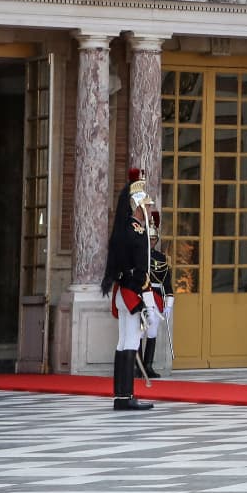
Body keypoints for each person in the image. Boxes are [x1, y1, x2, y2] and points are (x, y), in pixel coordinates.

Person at [101, 172, 158, 412]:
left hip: (121, 291)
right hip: (133, 292)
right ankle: (127, 395)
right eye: (146, 206)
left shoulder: (122, 229)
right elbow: (141, 272)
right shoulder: (137, 232)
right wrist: (148, 302)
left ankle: (121, 395)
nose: (148, 209)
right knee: (132, 341)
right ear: (138, 206)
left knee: (123, 341)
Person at [144, 212, 171, 380]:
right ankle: (136, 364)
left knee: (152, 330)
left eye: (154, 239)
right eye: (150, 238)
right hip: (141, 294)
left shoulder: (162, 258)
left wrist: (169, 303)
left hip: (155, 295)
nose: (152, 241)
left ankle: (148, 365)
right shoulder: (139, 255)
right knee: (138, 331)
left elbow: (167, 282)